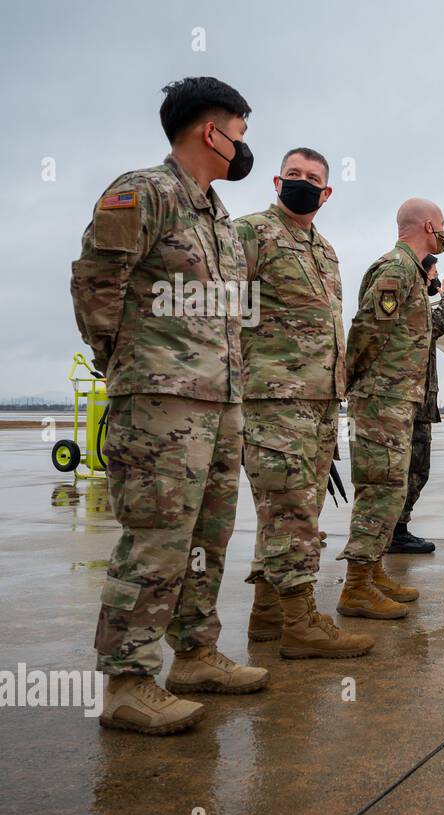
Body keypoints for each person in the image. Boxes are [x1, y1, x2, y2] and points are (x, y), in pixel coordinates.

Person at [71, 76, 267, 734]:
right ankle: (127, 681)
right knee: (156, 538)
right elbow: (97, 285)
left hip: (219, 405)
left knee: (208, 538)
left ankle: (195, 655)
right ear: (211, 132)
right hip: (158, 403)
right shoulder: (143, 193)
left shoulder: (218, 220)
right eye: (240, 133)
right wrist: (124, 366)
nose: (245, 147)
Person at [237, 147, 373, 659]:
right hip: (273, 398)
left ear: (326, 191)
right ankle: (300, 624)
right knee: (290, 512)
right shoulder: (250, 233)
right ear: (276, 180)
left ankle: (268, 615)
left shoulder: (326, 250)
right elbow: (222, 305)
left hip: (318, 403)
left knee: (297, 510)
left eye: (311, 177)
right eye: (293, 174)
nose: (301, 182)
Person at [336, 198, 444, 617]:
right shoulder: (398, 270)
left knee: (389, 489)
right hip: (382, 399)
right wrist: (357, 385)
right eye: (442, 225)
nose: (443, 232)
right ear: (429, 226)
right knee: (380, 490)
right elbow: (365, 332)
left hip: (396, 399)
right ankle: (356, 587)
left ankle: (373, 570)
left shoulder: (412, 273)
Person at [390, 258, 444, 554]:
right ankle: (395, 531)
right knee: (411, 470)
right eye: (434, 273)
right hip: (410, 405)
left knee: (417, 470)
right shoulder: (414, 306)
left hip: (418, 403)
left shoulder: (415, 303)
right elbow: (441, 320)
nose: (437, 278)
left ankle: (397, 528)